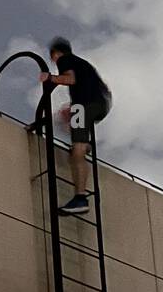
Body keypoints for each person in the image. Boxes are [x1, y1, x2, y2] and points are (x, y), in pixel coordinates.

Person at [39, 36, 110, 215]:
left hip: (84, 105)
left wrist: (51, 78)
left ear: (55, 54)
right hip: (99, 103)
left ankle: (80, 198)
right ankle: (84, 144)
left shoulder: (65, 59)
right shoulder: (82, 63)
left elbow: (70, 79)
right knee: (66, 115)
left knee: (75, 153)